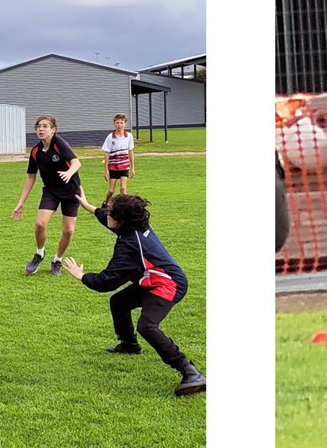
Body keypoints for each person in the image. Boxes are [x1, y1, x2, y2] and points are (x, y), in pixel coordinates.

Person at [61, 193, 206, 397]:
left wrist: (82, 276)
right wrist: (89, 207)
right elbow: (107, 218)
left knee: (147, 326)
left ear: (121, 221)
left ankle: (190, 372)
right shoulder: (135, 225)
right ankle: (130, 345)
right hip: (152, 280)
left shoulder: (128, 246)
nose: (108, 213)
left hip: (168, 284)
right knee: (119, 302)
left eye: (112, 212)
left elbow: (107, 281)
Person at [12, 115, 85, 275]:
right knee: (40, 224)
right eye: (38, 126)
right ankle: (39, 253)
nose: (41, 129)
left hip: (71, 191)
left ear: (53, 130)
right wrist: (21, 202)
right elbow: (31, 177)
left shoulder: (59, 143)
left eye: (45, 126)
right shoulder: (36, 151)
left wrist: (69, 173)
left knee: (68, 231)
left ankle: (57, 260)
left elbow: (76, 162)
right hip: (51, 191)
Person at [101, 113, 135, 201]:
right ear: (114, 124)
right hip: (113, 166)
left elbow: (130, 152)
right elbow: (107, 153)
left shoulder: (129, 136)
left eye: (121, 123)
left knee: (123, 189)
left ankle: (125, 206)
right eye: (117, 123)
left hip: (124, 166)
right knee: (111, 191)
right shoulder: (110, 137)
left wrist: (132, 168)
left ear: (125, 124)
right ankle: (106, 202)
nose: (119, 125)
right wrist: (106, 170)